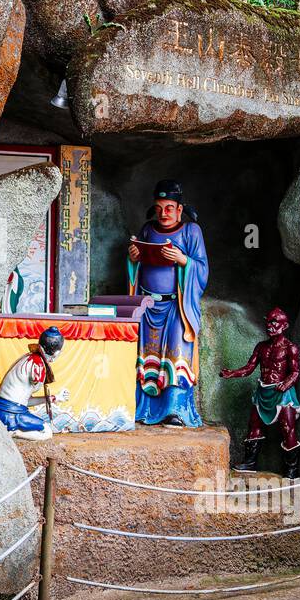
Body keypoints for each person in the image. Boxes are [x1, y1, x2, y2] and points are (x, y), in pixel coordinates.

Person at [127, 179, 209, 427]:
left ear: (180, 209)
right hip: (147, 305)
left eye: (170, 208)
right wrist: (134, 258)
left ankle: (175, 410)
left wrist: (184, 260)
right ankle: (142, 407)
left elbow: (202, 269)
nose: (164, 213)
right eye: (160, 207)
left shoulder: (191, 231)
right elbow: (136, 263)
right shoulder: (147, 229)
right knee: (145, 356)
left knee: (177, 353)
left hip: (176, 307)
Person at [219, 307, 300, 478]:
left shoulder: (290, 348)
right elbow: (250, 368)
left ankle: (291, 471)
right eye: (268, 322)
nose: (270, 326)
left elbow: (295, 372)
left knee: (288, 428)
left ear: (284, 325)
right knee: (254, 425)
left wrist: (286, 383)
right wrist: (232, 373)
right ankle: (250, 462)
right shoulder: (262, 347)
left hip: (283, 394)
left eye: (274, 322)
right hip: (263, 391)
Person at [0, 326, 67, 441]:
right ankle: (12, 432)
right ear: (56, 353)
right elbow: (20, 402)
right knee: (46, 432)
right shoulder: (37, 365)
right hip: (10, 414)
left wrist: (55, 398)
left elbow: (24, 401)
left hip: (2, 408)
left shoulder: (29, 358)